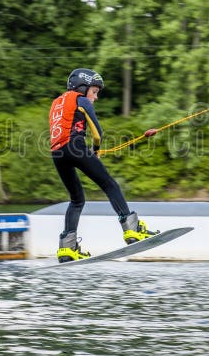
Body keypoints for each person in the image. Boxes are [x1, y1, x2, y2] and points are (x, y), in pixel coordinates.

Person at [49, 68, 158, 263]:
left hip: (57, 153)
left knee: (76, 200)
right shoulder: (80, 100)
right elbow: (97, 132)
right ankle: (132, 229)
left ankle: (67, 248)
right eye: (94, 91)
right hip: (76, 147)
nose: (96, 97)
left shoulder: (56, 103)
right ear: (82, 88)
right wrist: (95, 151)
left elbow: (62, 130)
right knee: (109, 185)